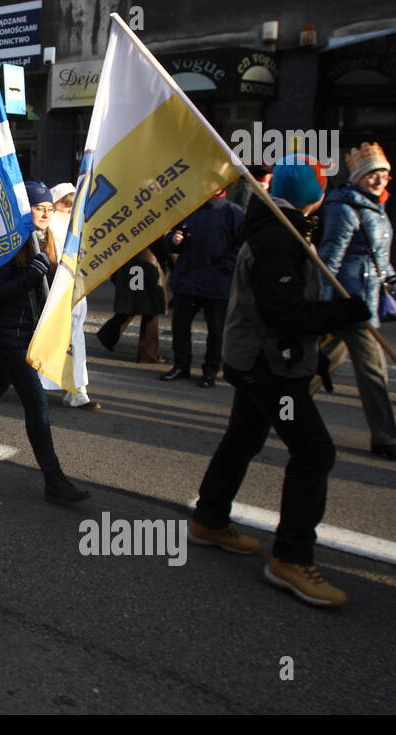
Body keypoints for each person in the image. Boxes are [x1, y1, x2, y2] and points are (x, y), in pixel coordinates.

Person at [189, 160, 370, 607]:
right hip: (267, 362)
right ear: (316, 192)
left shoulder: (282, 228)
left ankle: (210, 518)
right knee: (314, 452)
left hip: (259, 358)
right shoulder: (279, 237)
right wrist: (342, 315)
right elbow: (281, 313)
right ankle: (290, 558)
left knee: (244, 437)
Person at [0, 180, 88, 503]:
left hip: (28, 332)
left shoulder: (47, 238)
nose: (45, 214)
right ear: (25, 209)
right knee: (35, 402)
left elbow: (48, 288)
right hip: (6, 334)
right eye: (39, 208)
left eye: (49, 210)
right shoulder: (6, 241)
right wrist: (31, 274)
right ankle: (54, 480)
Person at [315, 143, 396, 462]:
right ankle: (387, 438)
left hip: (366, 301)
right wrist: (323, 306)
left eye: (384, 175)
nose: (379, 180)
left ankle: (276, 409)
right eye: (372, 174)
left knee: (323, 365)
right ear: (358, 177)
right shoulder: (345, 207)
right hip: (351, 302)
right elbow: (329, 259)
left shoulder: (377, 208)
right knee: (375, 372)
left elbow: (381, 260)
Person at [160, 190, 244, 387]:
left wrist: (225, 266)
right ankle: (181, 365)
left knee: (216, 330)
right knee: (180, 326)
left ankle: (211, 370)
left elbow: (241, 246)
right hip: (188, 279)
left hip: (217, 283)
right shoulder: (189, 209)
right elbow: (171, 237)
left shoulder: (234, 213)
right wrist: (173, 240)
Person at [39, 182, 99, 409]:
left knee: (75, 338)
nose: (69, 209)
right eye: (65, 205)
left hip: (75, 291)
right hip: (51, 290)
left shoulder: (80, 224)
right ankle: (33, 384)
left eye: (73, 205)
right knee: (45, 337)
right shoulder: (48, 224)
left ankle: (77, 390)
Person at [96, 239, 169, 363]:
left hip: (131, 264)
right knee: (150, 311)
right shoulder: (158, 220)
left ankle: (107, 335)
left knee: (133, 304)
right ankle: (148, 354)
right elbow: (165, 245)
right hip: (148, 266)